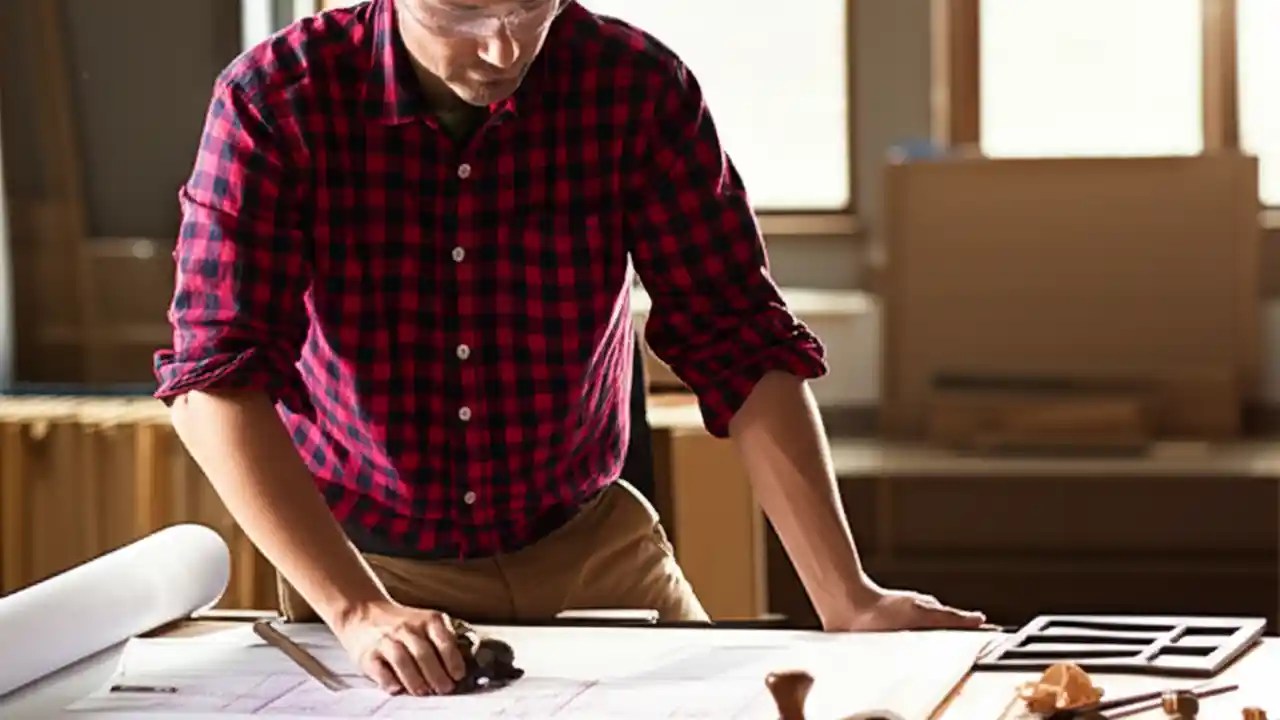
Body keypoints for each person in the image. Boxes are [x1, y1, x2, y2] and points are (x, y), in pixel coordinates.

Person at [155, 0, 986, 700]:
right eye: (464, 13)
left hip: (591, 546)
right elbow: (216, 379)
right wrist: (356, 610)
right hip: (371, 568)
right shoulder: (274, 100)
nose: (504, 47)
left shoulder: (636, 88)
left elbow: (740, 341)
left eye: (531, 6)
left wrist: (847, 599)